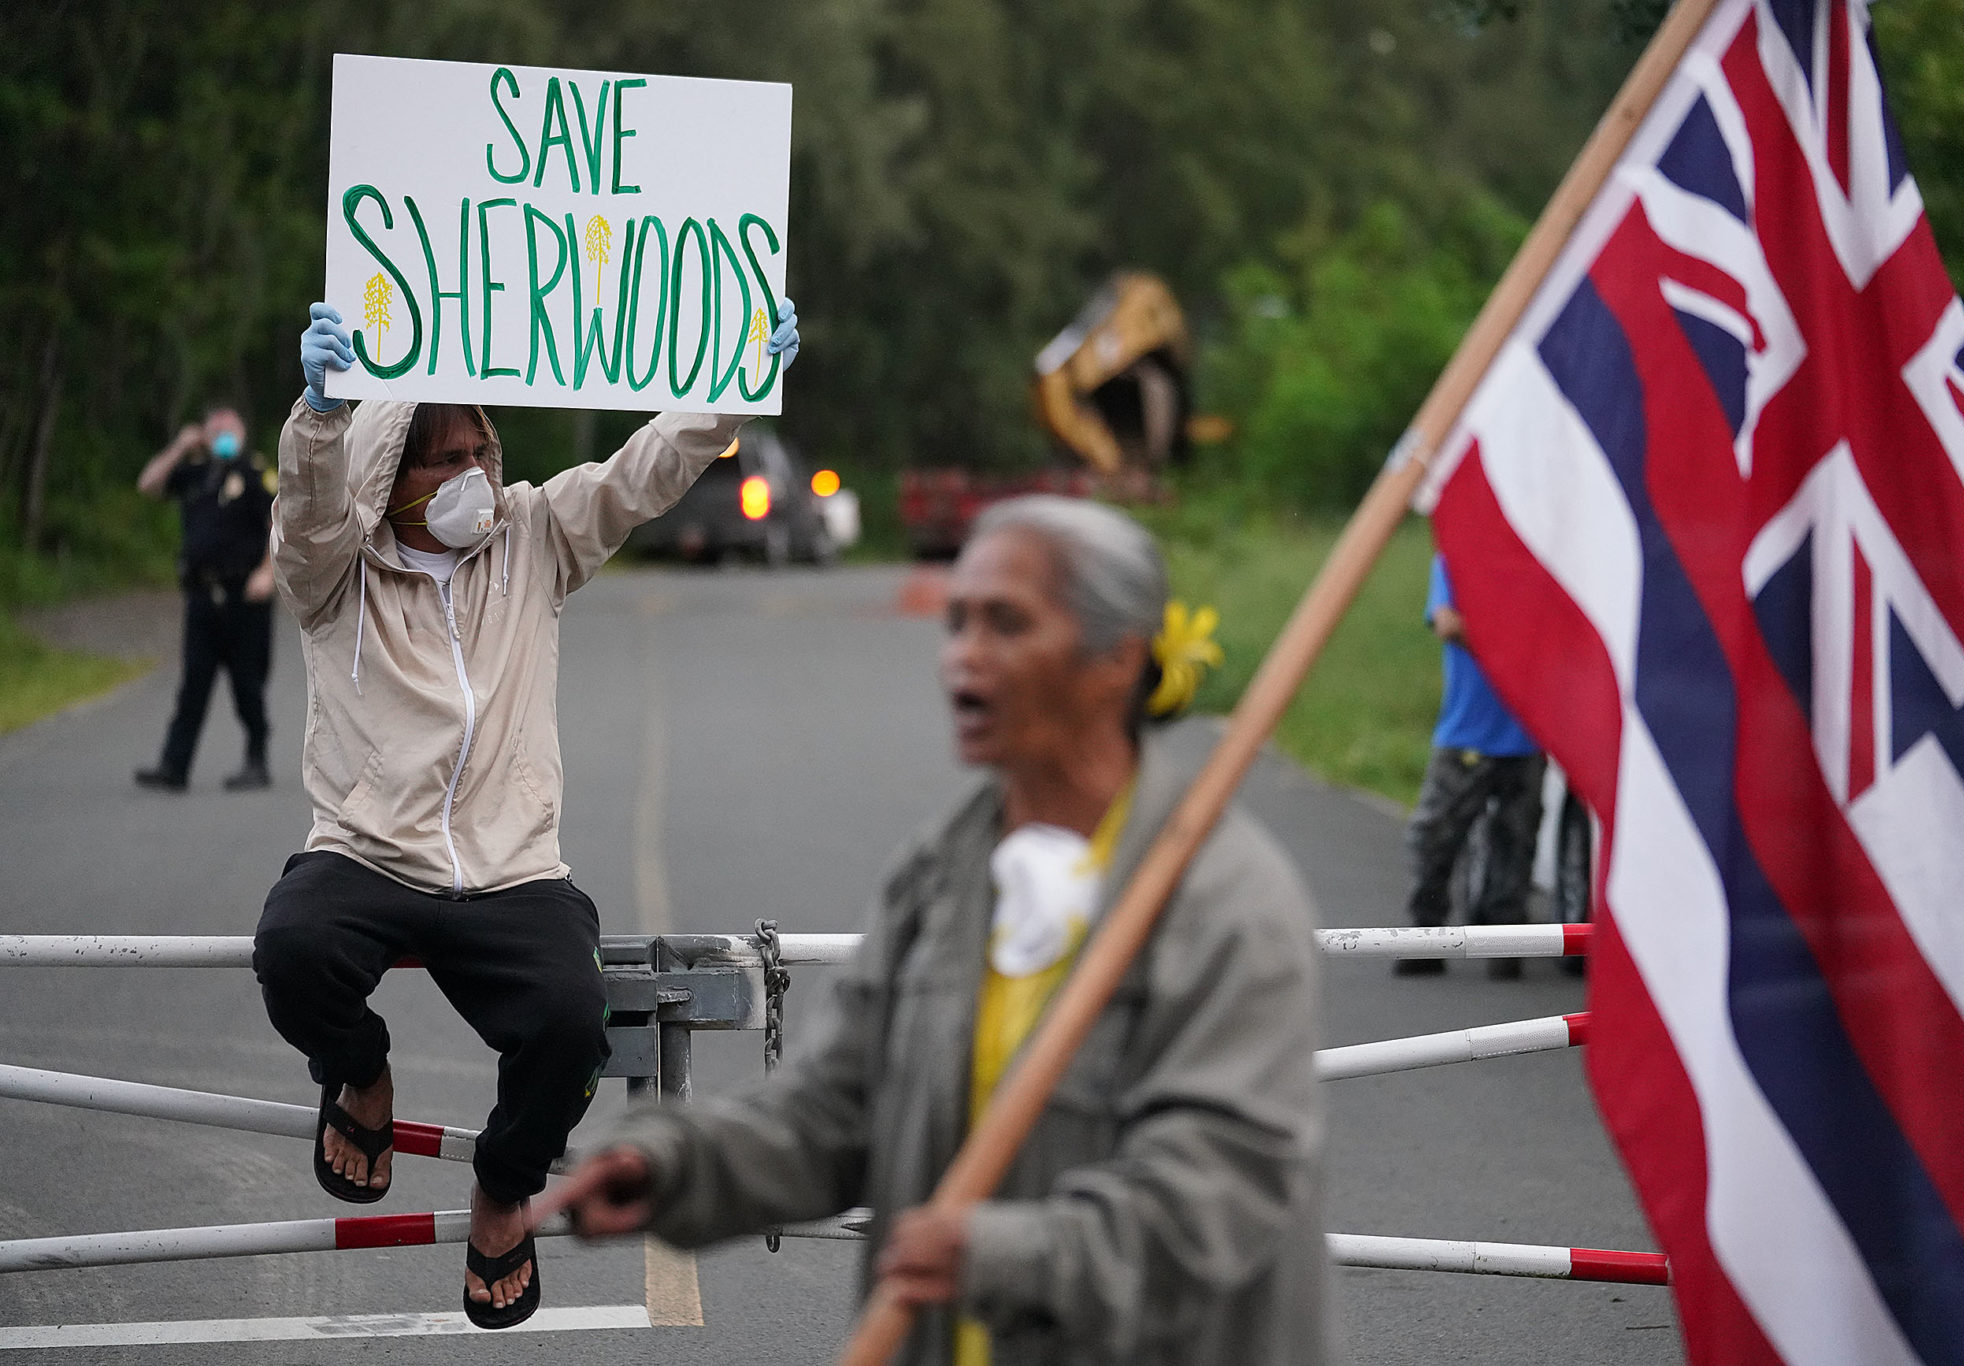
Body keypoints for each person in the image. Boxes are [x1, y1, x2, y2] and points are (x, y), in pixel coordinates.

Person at [546, 496, 1328, 1365]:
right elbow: (833, 1115)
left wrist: (1000, 1257)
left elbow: (1217, 1194)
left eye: (1007, 624)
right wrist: (674, 1165)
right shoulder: (941, 875)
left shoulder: (1224, 902)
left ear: (1118, 658)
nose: (964, 654)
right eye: (957, 622)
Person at [249, 299, 798, 1329]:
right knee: (293, 949)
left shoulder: (535, 534)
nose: (471, 474)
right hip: (371, 851)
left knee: (570, 1022)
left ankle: (504, 1188)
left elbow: (640, 473)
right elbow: (309, 517)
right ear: (388, 478)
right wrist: (319, 418)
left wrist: (731, 390)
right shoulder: (335, 574)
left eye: (477, 451)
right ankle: (360, 1076)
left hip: (513, 867)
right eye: (441, 459)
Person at [1396, 552, 1546, 980]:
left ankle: (1505, 944)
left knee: (1515, 841)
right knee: (1434, 837)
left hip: (1525, 732)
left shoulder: (1538, 557)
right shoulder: (1456, 555)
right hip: (1467, 732)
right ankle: (1425, 935)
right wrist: (1514, 640)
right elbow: (1446, 623)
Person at [133, 406, 277, 792]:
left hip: (244, 596)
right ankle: (174, 767)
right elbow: (148, 485)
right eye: (215, 430)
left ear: (242, 432)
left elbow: (277, 524)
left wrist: (267, 572)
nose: (222, 436)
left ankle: (257, 760)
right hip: (202, 595)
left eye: (229, 429)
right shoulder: (196, 473)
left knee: (248, 684)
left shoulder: (257, 473)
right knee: (193, 685)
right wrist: (180, 447)